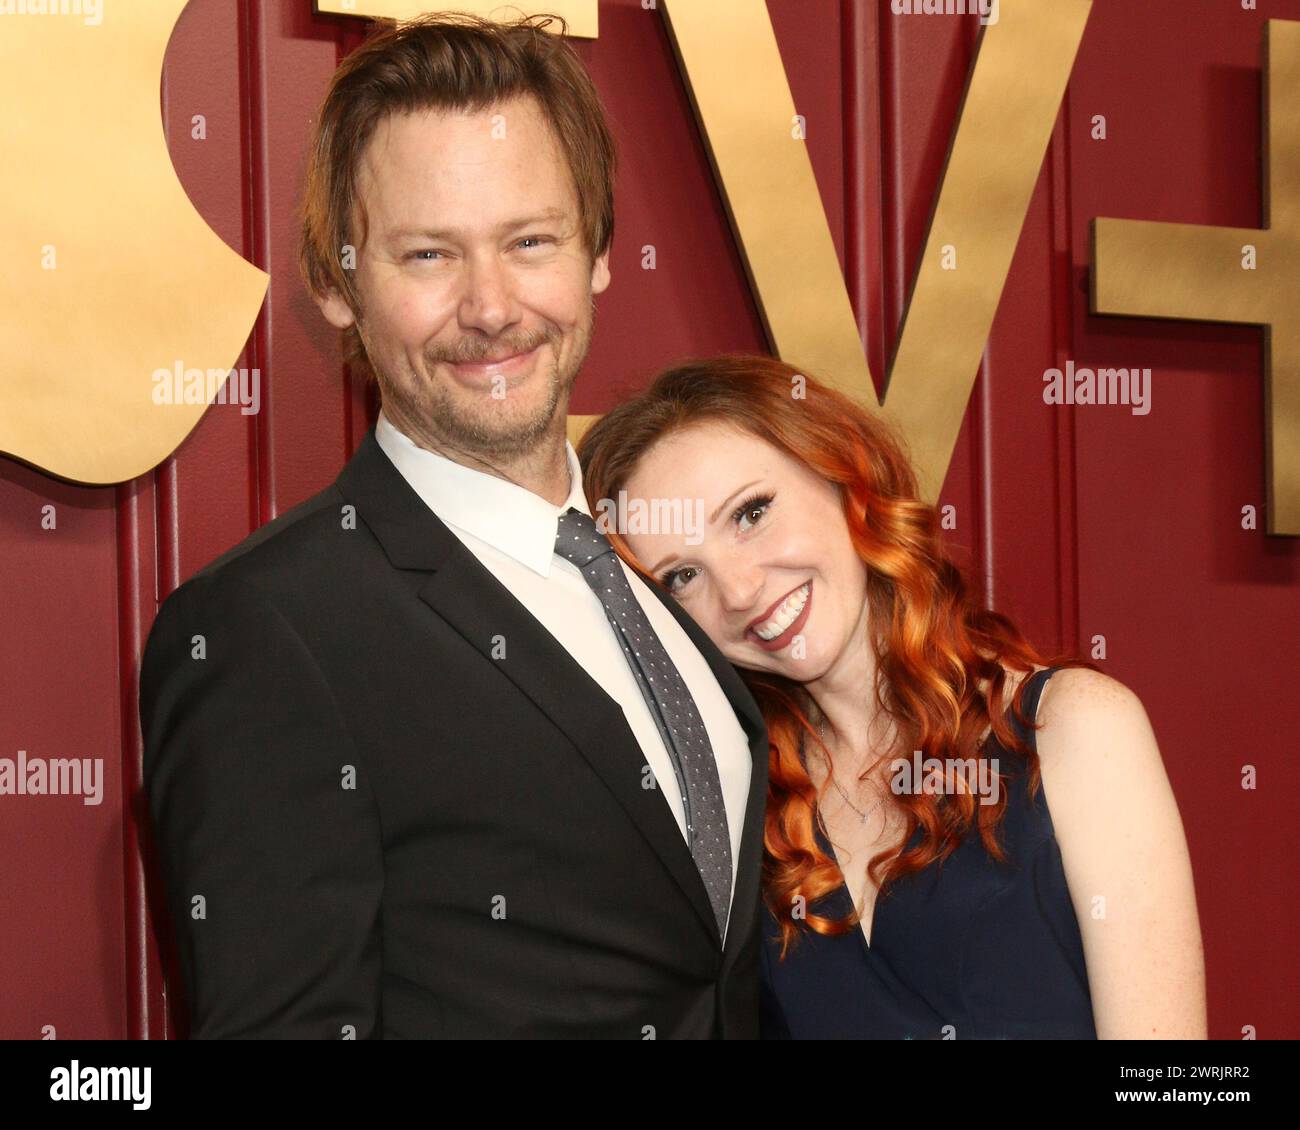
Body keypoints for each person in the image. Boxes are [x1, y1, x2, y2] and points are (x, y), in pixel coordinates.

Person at [139, 15, 768, 1039]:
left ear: (598, 252)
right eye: (428, 254)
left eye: (530, 241)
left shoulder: (654, 593)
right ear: (339, 283)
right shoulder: (267, 633)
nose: (490, 306)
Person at [577, 354, 1207, 1039]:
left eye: (750, 513)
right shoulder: (731, 814)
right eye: (682, 576)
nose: (739, 591)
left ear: (843, 476)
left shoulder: (1076, 729)